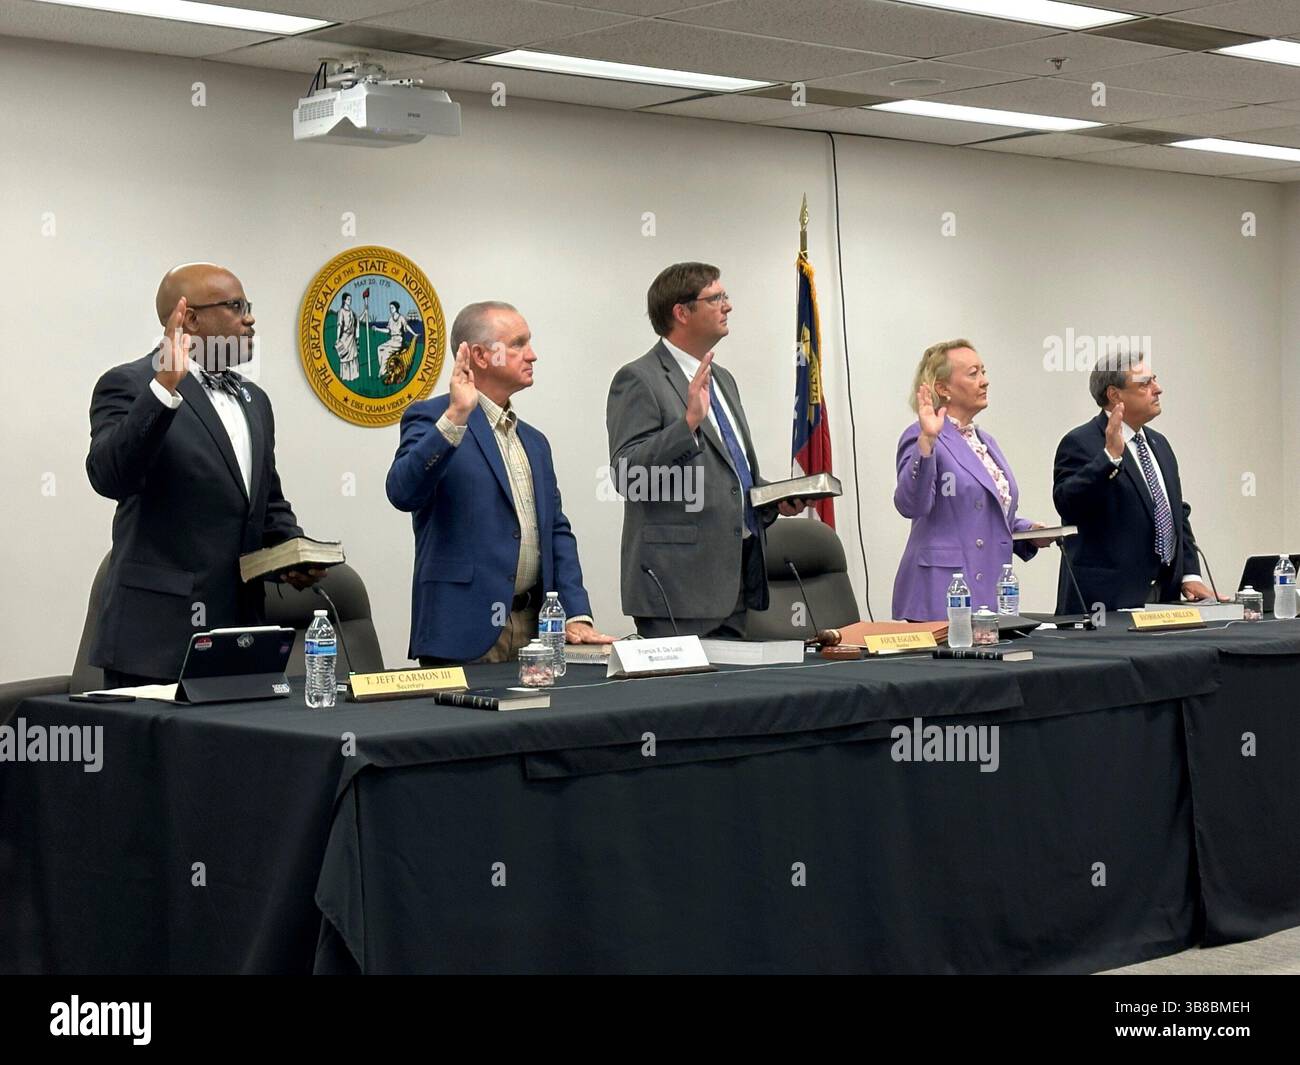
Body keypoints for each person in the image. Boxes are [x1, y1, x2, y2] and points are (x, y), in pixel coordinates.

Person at [86, 263, 320, 687]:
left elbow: (265, 504)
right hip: (155, 642)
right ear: (189, 318)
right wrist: (163, 390)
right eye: (236, 306)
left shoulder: (254, 400)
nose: (249, 318)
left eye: (248, 306)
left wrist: (291, 552)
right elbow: (110, 476)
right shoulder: (128, 384)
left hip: (243, 633)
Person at [386, 301, 614, 664]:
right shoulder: (433, 417)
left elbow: (556, 531)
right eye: (518, 344)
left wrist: (576, 613)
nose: (533, 355)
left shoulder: (534, 442)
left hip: (536, 632)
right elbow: (402, 491)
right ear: (479, 355)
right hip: (462, 632)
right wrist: (456, 417)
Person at [606, 262, 805, 638]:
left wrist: (772, 497)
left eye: (724, 297)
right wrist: (687, 425)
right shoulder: (639, 378)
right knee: (685, 697)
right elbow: (627, 475)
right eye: (716, 298)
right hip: (676, 588)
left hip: (735, 584)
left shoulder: (722, 379)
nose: (727, 306)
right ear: (681, 312)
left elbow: (729, 474)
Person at [892, 339, 1052, 621]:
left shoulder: (985, 441)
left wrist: (1029, 531)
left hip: (990, 587)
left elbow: (978, 511)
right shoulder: (921, 435)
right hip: (942, 591)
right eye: (973, 373)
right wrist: (927, 442)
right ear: (943, 388)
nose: (985, 381)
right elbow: (911, 504)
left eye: (984, 371)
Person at [1052, 353, 1220, 614]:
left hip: (1165, 598)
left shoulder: (1159, 444)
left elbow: (1176, 513)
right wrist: (1109, 458)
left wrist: (1190, 574)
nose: (1158, 388)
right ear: (1115, 395)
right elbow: (1068, 503)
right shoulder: (1081, 442)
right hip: (1105, 606)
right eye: (1145, 384)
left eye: (1154, 380)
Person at [335, 292, 359, 382]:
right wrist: (338, 339)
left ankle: (353, 376)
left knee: (353, 357)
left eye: (350, 299)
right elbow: (339, 325)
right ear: (344, 300)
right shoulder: (341, 311)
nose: (350, 301)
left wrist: (365, 311)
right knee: (345, 357)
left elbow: (357, 321)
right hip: (345, 338)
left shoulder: (352, 312)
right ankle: (345, 377)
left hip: (351, 338)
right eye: (348, 299)